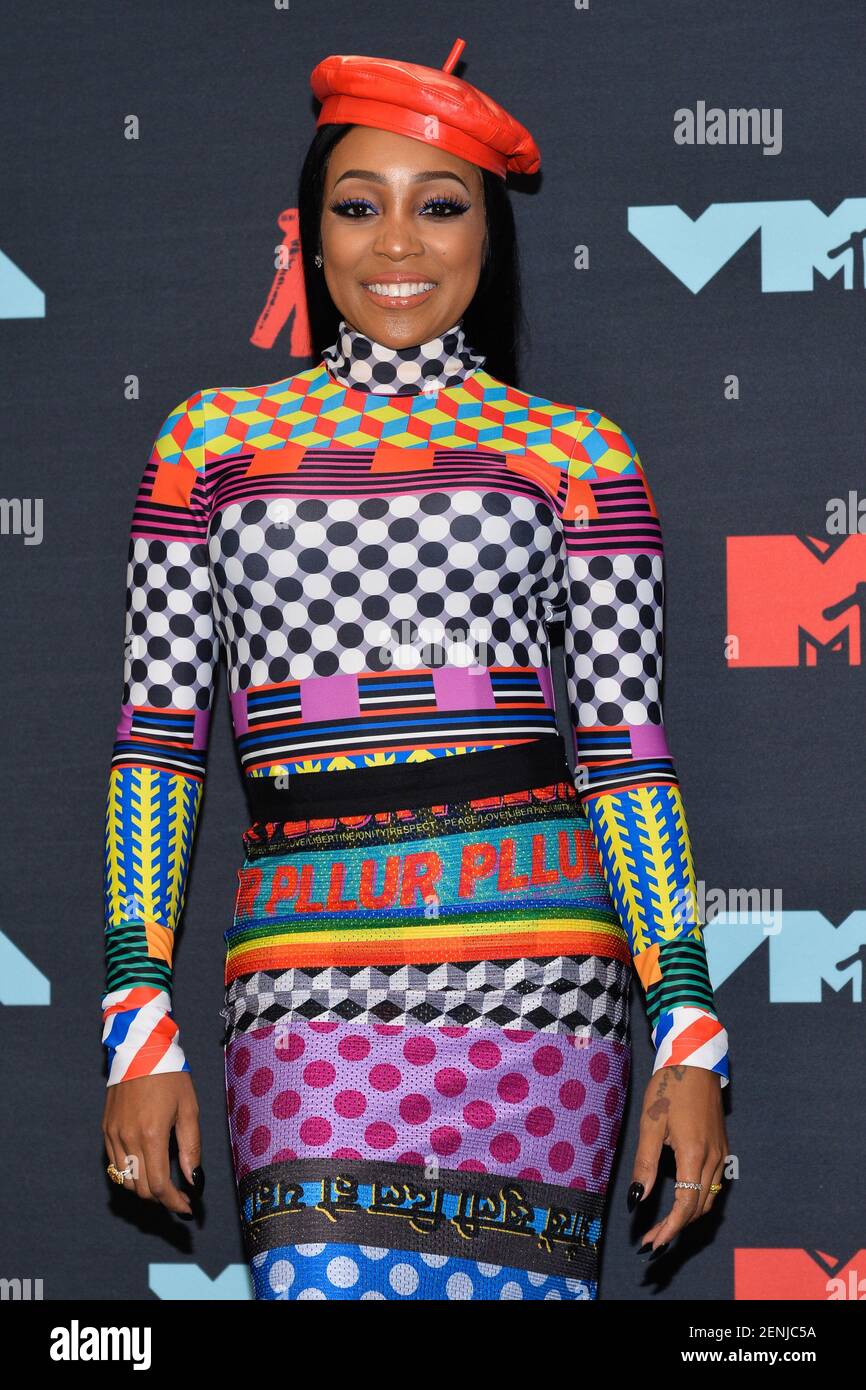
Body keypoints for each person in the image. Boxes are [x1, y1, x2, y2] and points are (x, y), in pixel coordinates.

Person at [101, 38, 730, 1301]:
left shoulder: (575, 455)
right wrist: (135, 1017)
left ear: (485, 237)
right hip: (304, 986)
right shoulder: (211, 444)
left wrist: (690, 1028)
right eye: (358, 205)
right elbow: (158, 738)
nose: (397, 244)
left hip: (544, 975)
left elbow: (623, 749)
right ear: (309, 238)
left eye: (438, 207)